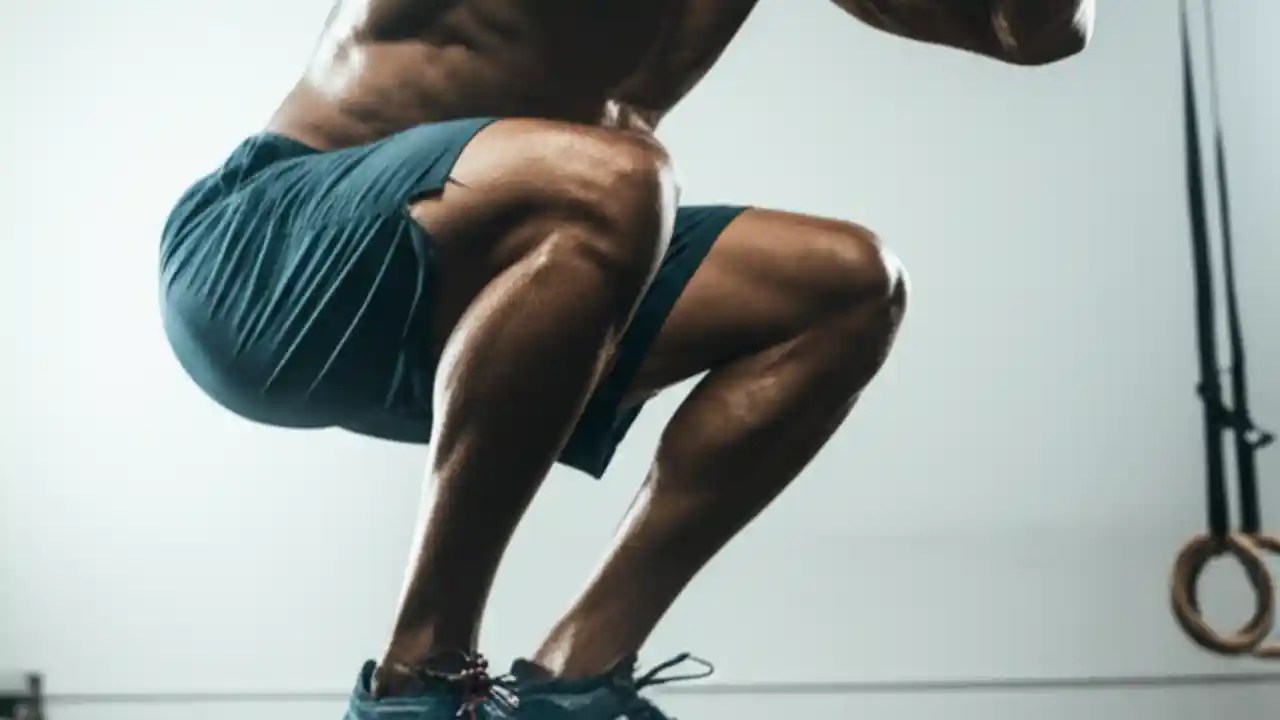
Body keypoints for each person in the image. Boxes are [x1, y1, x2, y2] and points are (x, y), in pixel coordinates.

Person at [158, 0, 1094, 717]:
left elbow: (1030, 30)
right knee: (618, 181)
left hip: (501, 292)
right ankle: (421, 678)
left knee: (849, 287)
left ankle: (574, 686)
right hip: (268, 252)